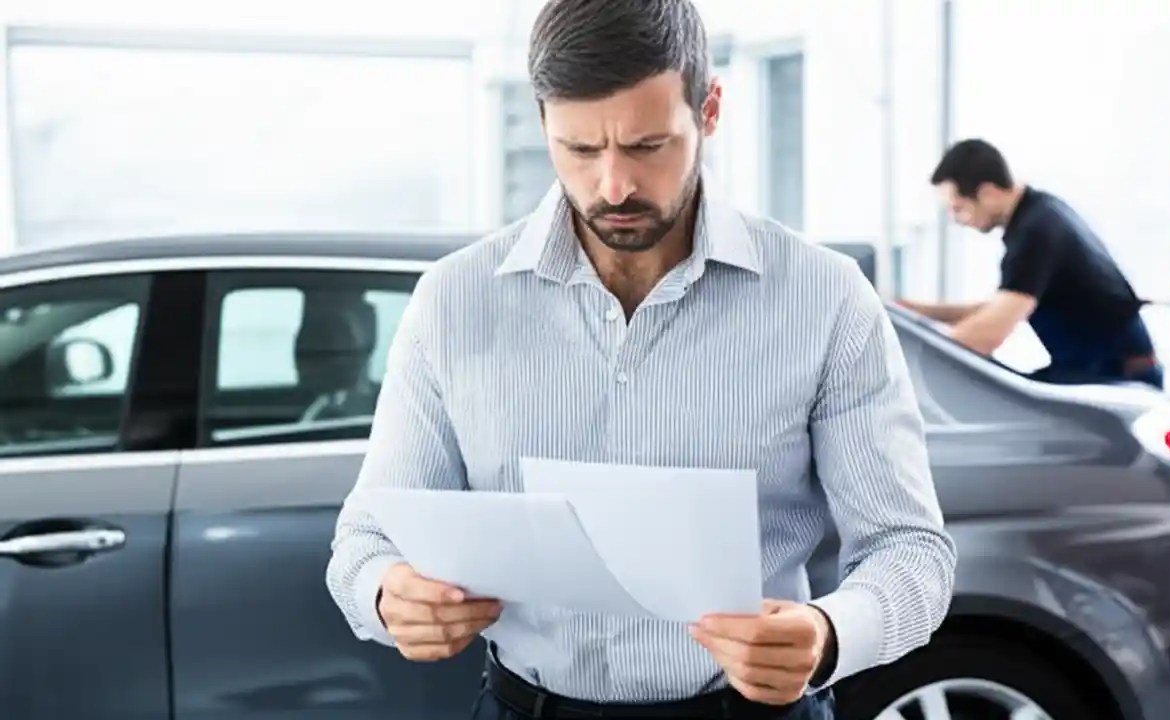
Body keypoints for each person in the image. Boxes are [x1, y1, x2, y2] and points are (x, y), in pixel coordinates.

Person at [327, 1, 956, 717]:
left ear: (709, 110)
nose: (614, 186)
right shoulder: (453, 300)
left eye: (648, 145)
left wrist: (830, 632)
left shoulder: (825, 298)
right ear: (542, 122)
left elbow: (913, 553)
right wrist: (386, 592)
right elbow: (364, 540)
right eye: (581, 150)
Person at [901, 138, 1165, 389]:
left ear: (988, 193)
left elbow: (986, 334)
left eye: (958, 208)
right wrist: (914, 312)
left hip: (1115, 380)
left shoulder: (1036, 231)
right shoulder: (1041, 213)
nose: (956, 219)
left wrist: (905, 366)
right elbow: (996, 309)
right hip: (1096, 370)